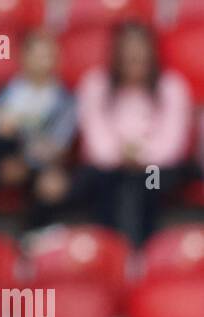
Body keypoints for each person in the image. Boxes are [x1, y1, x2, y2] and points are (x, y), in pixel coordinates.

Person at [71, 20, 193, 246]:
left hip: (156, 167)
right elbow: (96, 141)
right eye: (127, 48)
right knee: (104, 181)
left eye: (140, 48)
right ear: (116, 53)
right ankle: (108, 251)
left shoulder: (172, 87)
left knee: (150, 182)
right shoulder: (95, 84)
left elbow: (172, 144)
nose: (134, 55)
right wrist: (121, 155)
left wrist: (141, 155)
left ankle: (146, 250)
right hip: (109, 167)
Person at [0, 30, 76, 230]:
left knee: (51, 184)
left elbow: (59, 144)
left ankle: (31, 235)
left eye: (49, 56)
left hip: (36, 162)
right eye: (37, 55)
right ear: (23, 57)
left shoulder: (65, 100)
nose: (43, 62)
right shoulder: (2, 91)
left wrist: (24, 161)